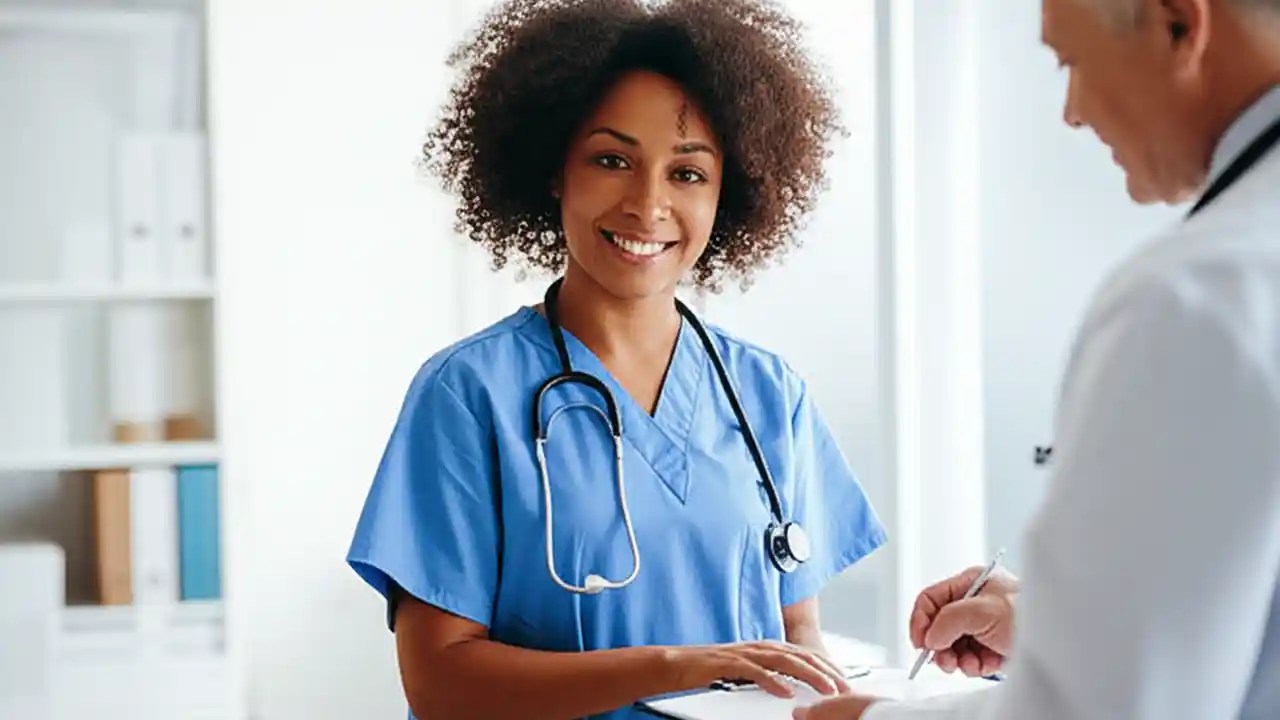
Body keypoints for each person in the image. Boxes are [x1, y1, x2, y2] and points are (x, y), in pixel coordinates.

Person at [344, 1, 888, 718]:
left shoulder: (766, 393)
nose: (648, 204)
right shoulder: (469, 394)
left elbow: (796, 633)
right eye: (611, 160)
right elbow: (439, 681)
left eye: (688, 173)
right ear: (553, 172)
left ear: (731, 190)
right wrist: (675, 668)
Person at [797, 0, 1280, 717]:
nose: (1073, 113)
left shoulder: (1197, 295)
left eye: (1073, 64)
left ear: (1181, 25)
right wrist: (1068, 626)